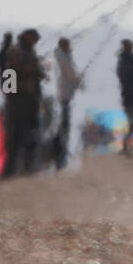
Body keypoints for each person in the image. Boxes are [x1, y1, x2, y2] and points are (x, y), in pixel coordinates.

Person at [1, 28, 45, 178]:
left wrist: (38, 71)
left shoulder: (29, 52)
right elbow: (9, 73)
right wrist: (11, 97)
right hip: (18, 99)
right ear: (26, 37)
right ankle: (10, 170)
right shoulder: (15, 50)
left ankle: (27, 167)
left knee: (30, 133)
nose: (34, 42)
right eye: (33, 39)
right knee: (15, 135)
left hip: (29, 97)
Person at [52, 37, 81, 169]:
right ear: (63, 45)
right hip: (64, 96)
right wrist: (79, 82)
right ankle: (60, 158)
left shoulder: (61, 57)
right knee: (64, 128)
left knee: (62, 127)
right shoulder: (64, 58)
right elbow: (70, 74)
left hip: (62, 95)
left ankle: (60, 157)